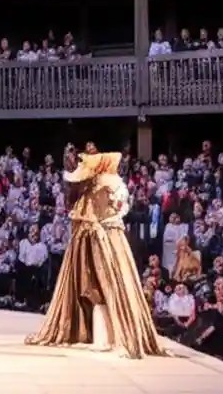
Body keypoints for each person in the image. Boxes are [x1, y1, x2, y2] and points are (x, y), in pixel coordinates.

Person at [26, 143, 166, 359]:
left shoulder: (110, 183)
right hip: (87, 239)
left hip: (107, 238)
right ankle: (95, 334)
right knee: (88, 286)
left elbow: (120, 208)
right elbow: (75, 200)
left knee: (109, 284)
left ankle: (113, 336)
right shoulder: (89, 185)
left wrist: (106, 217)